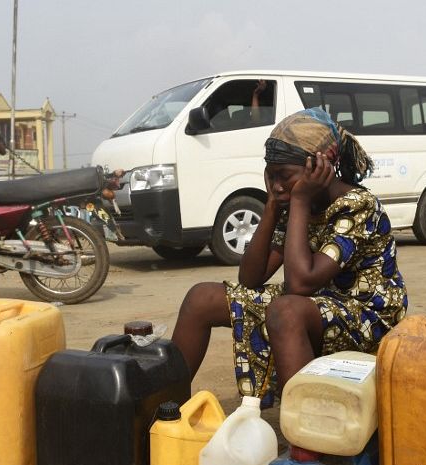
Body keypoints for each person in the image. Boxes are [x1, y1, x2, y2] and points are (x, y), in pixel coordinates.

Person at [171, 107, 408, 402]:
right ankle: (166, 410)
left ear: (318, 168)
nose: (277, 185)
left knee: (286, 310)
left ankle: (306, 432)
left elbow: (300, 284)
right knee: (201, 299)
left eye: (284, 176)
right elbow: (250, 277)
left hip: (367, 313)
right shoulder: (291, 201)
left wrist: (299, 201)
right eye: (270, 176)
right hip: (316, 301)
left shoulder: (358, 205)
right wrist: (272, 208)